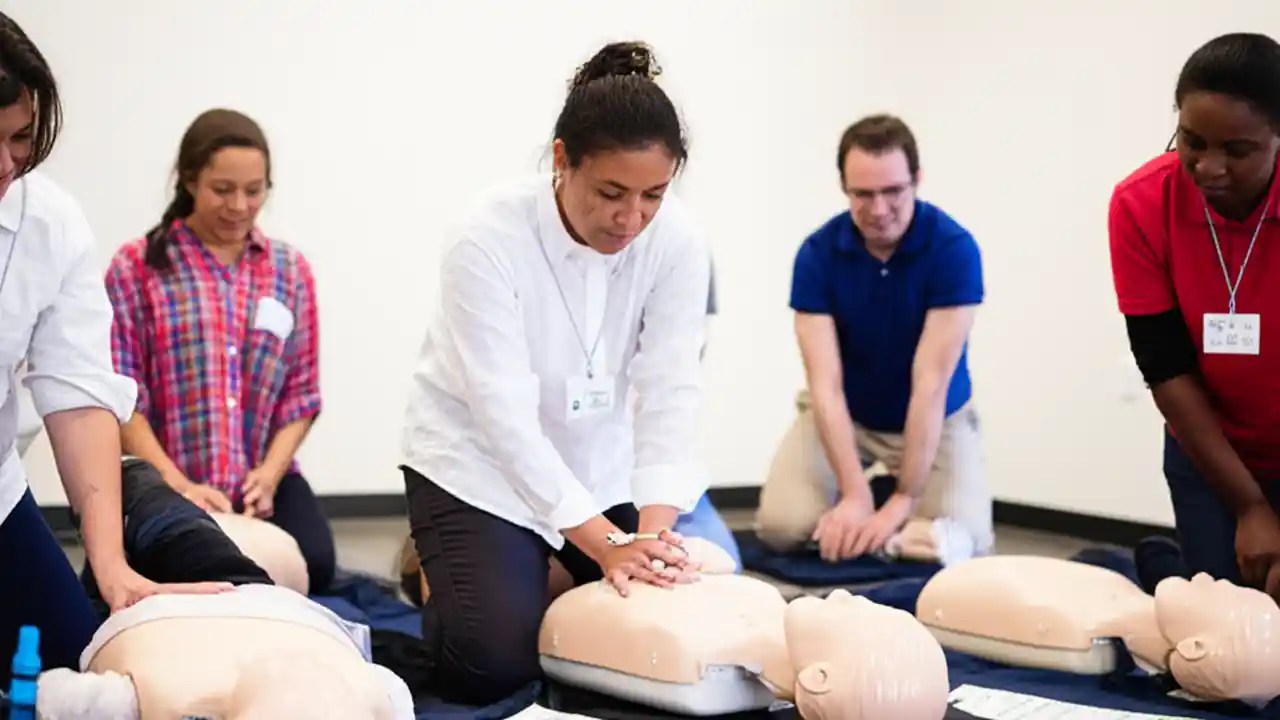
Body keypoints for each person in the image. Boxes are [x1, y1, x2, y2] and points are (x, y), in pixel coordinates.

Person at [400, 40, 712, 704]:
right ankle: (438, 558)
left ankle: (523, 571)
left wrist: (650, 540)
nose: (631, 218)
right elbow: (502, 417)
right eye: (611, 193)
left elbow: (671, 390)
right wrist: (605, 546)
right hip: (476, 466)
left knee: (655, 617)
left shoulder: (678, 240)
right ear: (563, 160)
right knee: (492, 666)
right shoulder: (485, 238)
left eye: (653, 195)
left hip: (595, 465)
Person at [0, 12, 227, 687]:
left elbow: (76, 392)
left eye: (19, 139)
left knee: (76, 665)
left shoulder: (49, 224)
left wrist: (112, 564)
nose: (8, 165)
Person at [103, 108, 336, 594]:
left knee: (316, 564)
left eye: (254, 191)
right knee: (163, 567)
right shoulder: (137, 268)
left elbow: (302, 395)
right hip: (169, 476)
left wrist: (268, 477)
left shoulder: (289, 271)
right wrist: (176, 485)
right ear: (189, 180)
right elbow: (123, 398)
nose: (239, 205)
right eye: (223, 190)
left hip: (259, 476)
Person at [755, 114, 994, 563]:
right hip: (850, 416)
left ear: (916, 180)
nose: (879, 209)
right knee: (781, 527)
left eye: (893, 192)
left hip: (936, 417)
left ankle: (889, 510)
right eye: (862, 194)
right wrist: (854, 494)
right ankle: (877, 508)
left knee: (969, 541)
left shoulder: (954, 250)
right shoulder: (817, 255)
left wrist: (904, 497)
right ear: (844, 188)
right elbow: (824, 385)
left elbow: (931, 383)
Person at [1108, 32, 1280, 601]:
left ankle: (1171, 567)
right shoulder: (1140, 204)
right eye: (1192, 141)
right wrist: (1250, 505)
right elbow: (1164, 366)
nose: (1208, 167)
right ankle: (1172, 566)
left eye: (1237, 150)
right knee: (1228, 631)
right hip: (1210, 452)